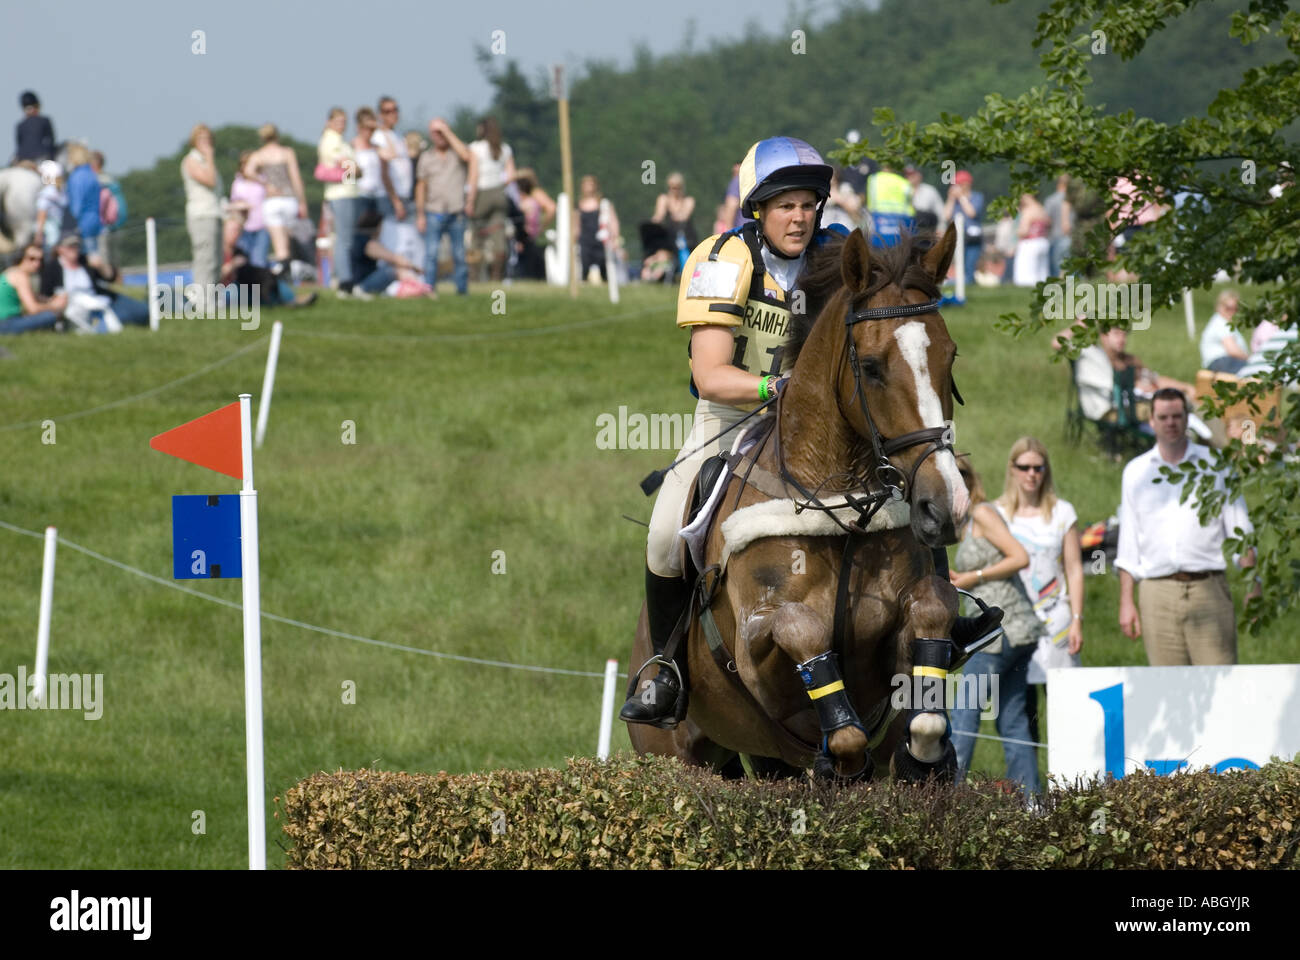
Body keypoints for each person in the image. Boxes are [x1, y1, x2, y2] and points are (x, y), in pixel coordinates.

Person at [620, 135, 846, 726]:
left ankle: (944, 621)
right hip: (733, 416)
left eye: (807, 204)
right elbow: (712, 374)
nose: (799, 217)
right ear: (758, 209)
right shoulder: (722, 259)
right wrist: (782, 388)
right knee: (667, 530)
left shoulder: (840, 250)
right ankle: (663, 669)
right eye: (785, 205)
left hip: (824, 422)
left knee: (911, 480)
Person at [1116, 389, 1258, 665]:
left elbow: (1240, 530)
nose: (1171, 423)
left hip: (1209, 589)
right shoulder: (1136, 472)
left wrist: (1254, 585)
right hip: (1157, 592)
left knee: (1220, 682)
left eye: (1177, 416)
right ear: (1152, 421)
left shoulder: (1216, 466)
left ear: (1187, 419)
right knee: (1168, 689)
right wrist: (1126, 600)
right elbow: (1128, 542)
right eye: (1163, 417)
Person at [948, 456, 1041, 794]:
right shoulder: (965, 522)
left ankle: (945, 800)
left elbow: (1020, 556)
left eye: (962, 474)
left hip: (999, 634)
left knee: (964, 713)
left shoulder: (983, 513)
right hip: (1016, 632)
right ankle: (1033, 803)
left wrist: (973, 577)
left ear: (971, 479)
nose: (956, 480)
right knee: (1013, 720)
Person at [995, 437, 1084, 741]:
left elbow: (1074, 568)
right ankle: (1028, 786)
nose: (1031, 474)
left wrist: (1077, 620)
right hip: (1015, 624)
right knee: (1021, 714)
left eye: (1038, 467)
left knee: (1067, 711)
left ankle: (1073, 782)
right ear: (1013, 469)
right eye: (1024, 467)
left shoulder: (1062, 512)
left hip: (1056, 623)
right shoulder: (997, 515)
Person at [1072, 324, 1199, 428]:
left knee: (1189, 403)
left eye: (1124, 334)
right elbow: (1058, 343)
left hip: (1143, 402)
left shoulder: (1129, 360)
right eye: (1116, 333)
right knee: (1173, 408)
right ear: (1103, 336)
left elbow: (1155, 379)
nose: (1122, 339)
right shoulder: (1096, 359)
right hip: (1115, 409)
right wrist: (1080, 323)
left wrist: (1186, 387)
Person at [415, 117, 475, 294]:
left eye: (442, 131)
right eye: (436, 132)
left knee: (459, 254)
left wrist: (447, 132)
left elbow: (466, 156)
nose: (439, 136)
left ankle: (462, 291)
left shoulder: (457, 151)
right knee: (431, 254)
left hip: (456, 210)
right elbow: (421, 186)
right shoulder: (426, 157)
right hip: (434, 211)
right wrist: (420, 214)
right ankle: (429, 289)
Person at [40, 231, 149, 328]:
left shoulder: (86, 261)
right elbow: (44, 295)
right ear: (60, 249)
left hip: (100, 300)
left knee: (143, 311)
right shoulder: (52, 268)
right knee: (115, 320)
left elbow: (113, 278)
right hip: (75, 308)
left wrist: (101, 266)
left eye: (76, 245)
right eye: (70, 246)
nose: (74, 249)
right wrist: (54, 301)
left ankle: (150, 303)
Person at [247, 124, 307, 279]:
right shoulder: (287, 152)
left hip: (272, 201)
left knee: (280, 247)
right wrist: (302, 201)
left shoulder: (259, 155)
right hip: (289, 199)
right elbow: (295, 178)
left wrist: (265, 184)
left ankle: (282, 274)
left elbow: (248, 171)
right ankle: (287, 274)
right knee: (287, 241)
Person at [317, 107, 361, 294]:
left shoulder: (340, 140)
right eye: (338, 121)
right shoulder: (331, 140)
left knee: (345, 238)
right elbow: (348, 167)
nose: (341, 125)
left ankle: (346, 279)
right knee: (344, 239)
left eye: (344, 121)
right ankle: (345, 282)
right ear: (329, 122)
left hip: (346, 192)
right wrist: (356, 171)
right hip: (340, 193)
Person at [467, 116, 515, 283]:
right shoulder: (505, 149)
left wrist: (470, 201)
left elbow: (473, 176)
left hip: (482, 193)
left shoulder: (476, 148)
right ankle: (497, 276)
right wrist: (499, 183)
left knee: (477, 235)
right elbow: (510, 176)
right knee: (498, 235)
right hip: (499, 193)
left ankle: (475, 276)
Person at [180, 124, 222, 308]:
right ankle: (203, 302)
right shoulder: (191, 160)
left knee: (216, 260)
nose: (206, 143)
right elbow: (210, 181)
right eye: (201, 139)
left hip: (215, 213)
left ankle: (213, 300)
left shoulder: (206, 161)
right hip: (201, 215)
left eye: (208, 139)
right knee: (205, 259)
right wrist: (210, 157)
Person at [0, 242, 64, 334]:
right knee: (52, 315)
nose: (36, 263)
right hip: (6, 324)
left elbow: (34, 297)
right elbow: (33, 309)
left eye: (40, 260)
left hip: (5, 322)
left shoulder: (10, 272)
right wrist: (55, 306)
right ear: (21, 257)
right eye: (32, 259)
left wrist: (50, 300)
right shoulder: (21, 276)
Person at [511, 167, 555, 282]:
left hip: (530, 238)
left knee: (530, 269)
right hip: (526, 236)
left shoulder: (534, 193)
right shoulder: (526, 194)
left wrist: (540, 227)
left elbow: (551, 208)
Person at [574, 174, 619, 283]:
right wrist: (573, 240)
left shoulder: (603, 203)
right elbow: (576, 225)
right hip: (585, 239)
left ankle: (605, 283)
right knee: (584, 264)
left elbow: (613, 221)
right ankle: (584, 284)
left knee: (603, 263)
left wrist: (615, 238)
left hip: (601, 240)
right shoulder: (578, 205)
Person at [651, 172, 697, 275]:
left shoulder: (688, 200)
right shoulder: (664, 199)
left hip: (686, 238)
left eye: (677, 187)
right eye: (671, 187)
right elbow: (658, 216)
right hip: (669, 237)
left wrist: (672, 208)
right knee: (660, 254)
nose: (674, 190)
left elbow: (683, 216)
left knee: (683, 248)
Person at [943, 170, 985, 284]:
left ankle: (967, 282)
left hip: (973, 238)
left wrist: (961, 197)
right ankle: (962, 283)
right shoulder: (954, 200)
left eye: (959, 184)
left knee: (969, 266)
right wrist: (951, 198)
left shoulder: (977, 197)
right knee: (960, 267)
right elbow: (946, 215)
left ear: (967, 184)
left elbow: (972, 213)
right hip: (958, 238)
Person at [229, 152, 269, 268]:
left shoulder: (262, 180)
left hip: (262, 226)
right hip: (243, 228)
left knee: (258, 262)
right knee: (243, 262)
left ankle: (259, 286)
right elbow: (233, 203)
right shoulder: (237, 183)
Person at [1199, 290, 1249, 374]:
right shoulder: (1221, 322)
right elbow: (1232, 350)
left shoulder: (1222, 322)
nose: (1232, 312)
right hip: (1224, 362)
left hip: (1226, 362)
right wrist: (1251, 359)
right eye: (1228, 308)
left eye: (1235, 309)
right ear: (1219, 306)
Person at [865, 163, 914, 248]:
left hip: (879, 218)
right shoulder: (903, 182)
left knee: (878, 248)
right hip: (901, 220)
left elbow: (870, 203)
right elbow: (910, 205)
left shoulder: (874, 179)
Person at [65, 143, 101, 257]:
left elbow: (76, 206)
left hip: (82, 224)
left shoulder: (77, 177)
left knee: (86, 258)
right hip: (95, 221)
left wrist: (68, 225)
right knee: (94, 255)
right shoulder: (92, 174)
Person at [1012, 193, 1050, 287]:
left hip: (1030, 243)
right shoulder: (1041, 209)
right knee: (1042, 272)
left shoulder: (1028, 210)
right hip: (1042, 241)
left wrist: (1016, 232)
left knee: (1026, 273)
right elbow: (1049, 224)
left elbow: (1024, 231)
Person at [34, 160, 70, 251]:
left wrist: (39, 233)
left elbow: (42, 212)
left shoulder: (46, 192)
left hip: (48, 231)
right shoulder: (62, 191)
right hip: (59, 228)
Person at [14, 91, 55, 164]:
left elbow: (19, 145)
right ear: (37, 105)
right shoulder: (45, 121)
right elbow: (50, 142)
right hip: (41, 158)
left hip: (22, 160)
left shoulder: (20, 125)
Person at [1043, 174, 1072, 277]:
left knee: (1057, 270)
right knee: (1072, 270)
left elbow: (1046, 221)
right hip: (1074, 237)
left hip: (1056, 237)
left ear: (1059, 184)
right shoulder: (1075, 199)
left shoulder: (1051, 200)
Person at [905, 164, 943, 234]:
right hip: (907, 230)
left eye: (913, 175)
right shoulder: (902, 190)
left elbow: (940, 212)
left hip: (927, 230)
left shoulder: (930, 191)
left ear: (919, 175)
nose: (910, 177)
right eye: (908, 175)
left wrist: (940, 229)